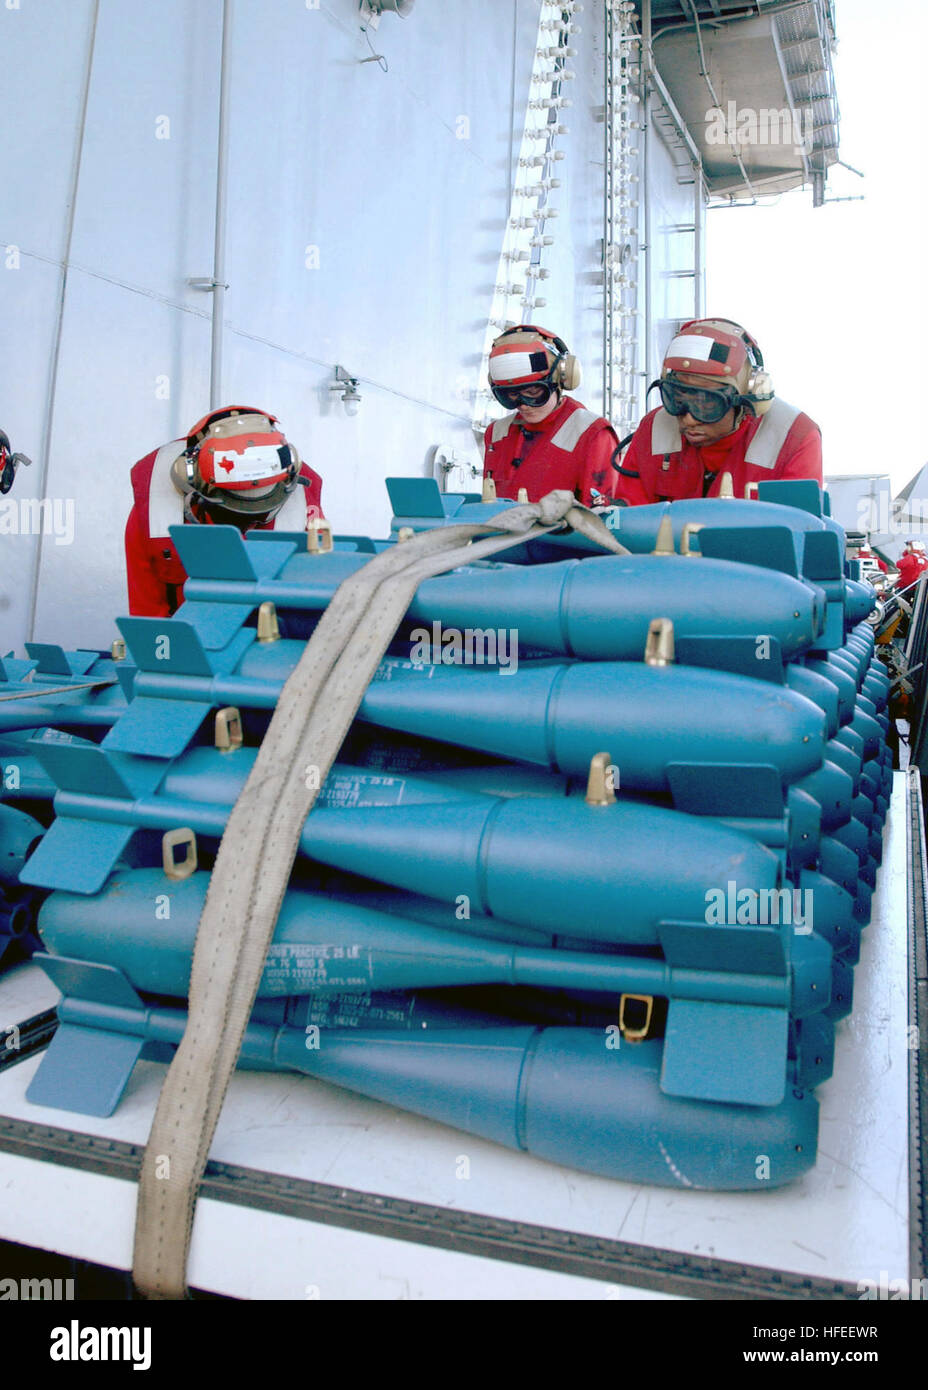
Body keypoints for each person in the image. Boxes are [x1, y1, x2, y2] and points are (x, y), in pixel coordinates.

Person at [125, 405, 323, 617]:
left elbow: (313, 595)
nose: (247, 523)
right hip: (187, 634)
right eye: (235, 511)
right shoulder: (154, 508)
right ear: (193, 480)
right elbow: (148, 611)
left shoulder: (303, 504)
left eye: (259, 512)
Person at [611, 318, 822, 504]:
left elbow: (798, 532)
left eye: (707, 403)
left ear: (746, 400)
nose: (689, 419)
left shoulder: (794, 437)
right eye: (678, 399)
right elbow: (628, 523)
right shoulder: (654, 428)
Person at [482, 324, 620, 508]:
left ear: (560, 380)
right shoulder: (497, 433)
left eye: (533, 392)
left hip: (563, 536)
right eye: (512, 395)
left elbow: (604, 521)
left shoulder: (593, 434)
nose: (523, 405)